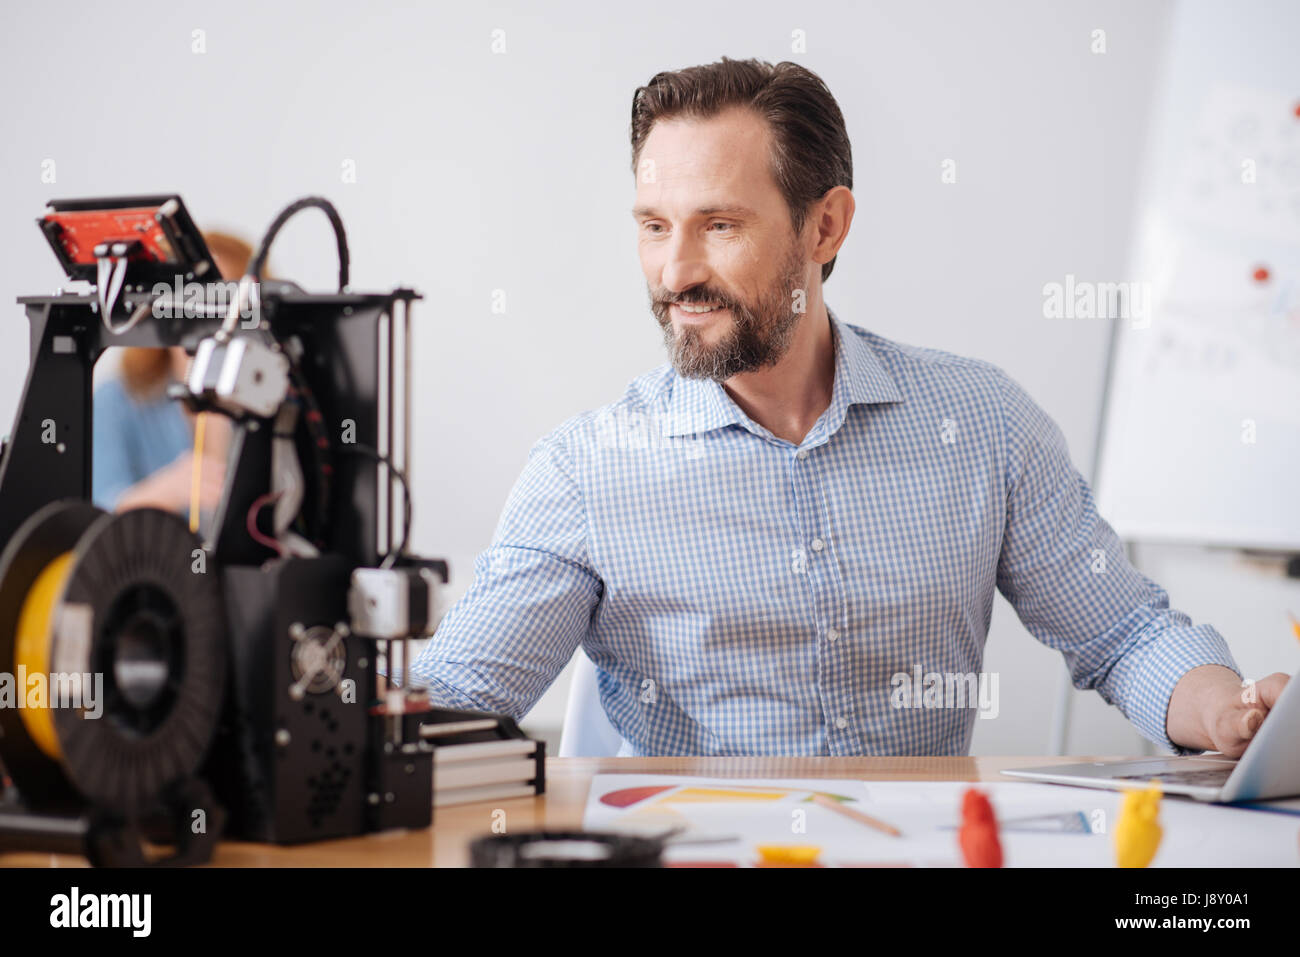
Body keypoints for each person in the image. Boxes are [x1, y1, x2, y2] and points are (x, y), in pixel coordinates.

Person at [408, 58, 1288, 757]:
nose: (675, 272)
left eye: (718, 225)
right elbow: (449, 707)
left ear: (824, 228)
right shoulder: (584, 471)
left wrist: (1229, 713)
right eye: (652, 225)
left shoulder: (981, 424)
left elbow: (1124, 632)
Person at [92, 231, 252, 515]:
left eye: (225, 308)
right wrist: (167, 490)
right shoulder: (114, 401)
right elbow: (95, 517)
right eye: (194, 306)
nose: (210, 326)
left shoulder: (275, 402)